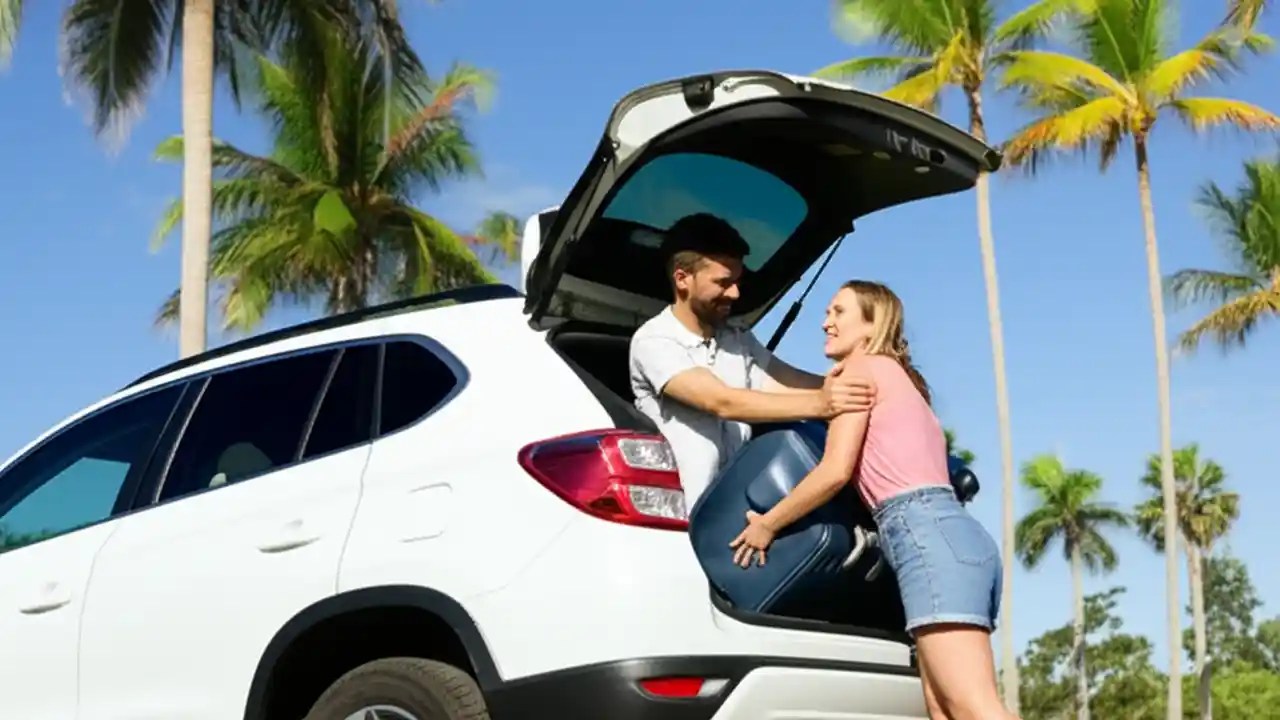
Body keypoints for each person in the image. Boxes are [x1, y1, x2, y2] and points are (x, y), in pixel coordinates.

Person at [729, 280, 1015, 720]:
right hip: (950, 536)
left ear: (871, 324)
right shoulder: (898, 377)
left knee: (973, 708)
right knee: (945, 712)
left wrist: (768, 523)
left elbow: (834, 471)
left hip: (926, 535)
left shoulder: (858, 372)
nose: (825, 321)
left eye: (839, 312)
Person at [628, 213, 877, 506]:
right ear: (682, 279)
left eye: (737, 281)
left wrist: (866, 387)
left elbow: (789, 383)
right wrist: (825, 403)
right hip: (676, 514)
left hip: (729, 510)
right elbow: (722, 402)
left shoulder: (737, 339)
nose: (735, 292)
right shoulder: (655, 341)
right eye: (723, 282)